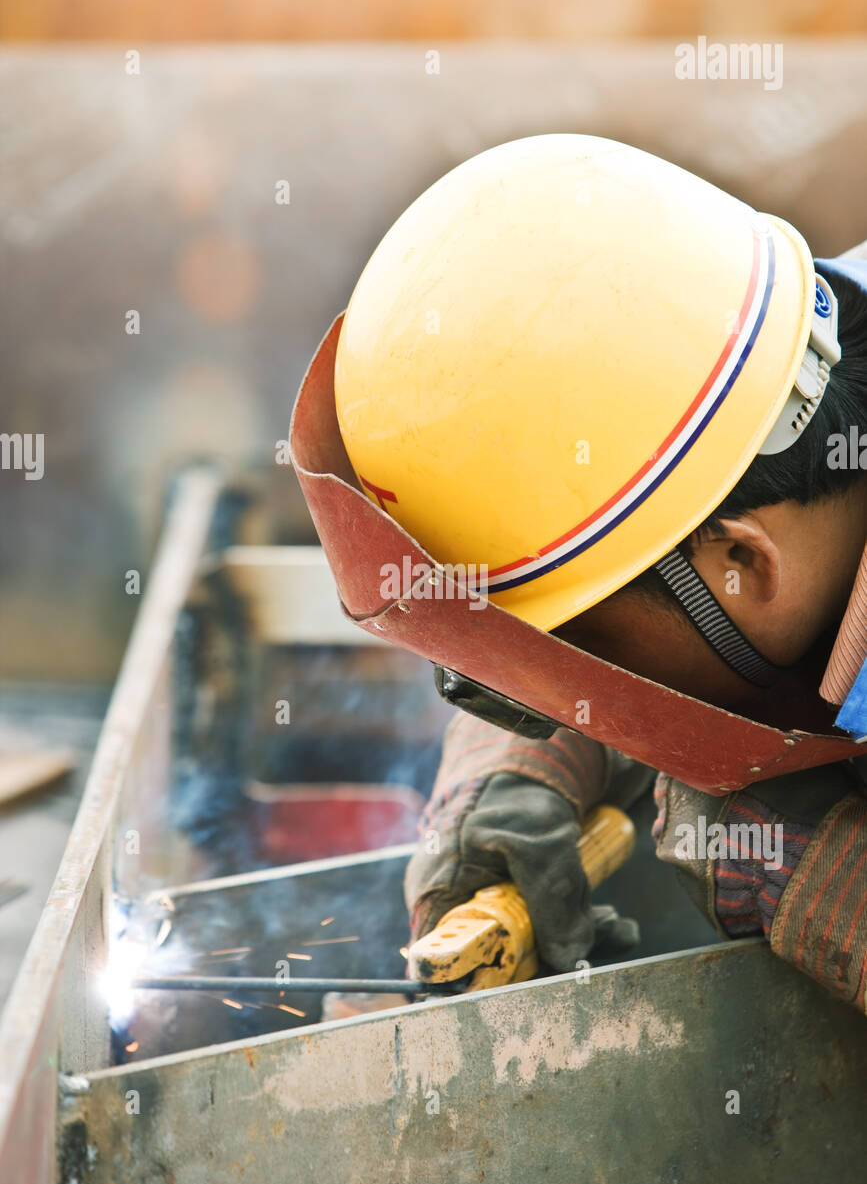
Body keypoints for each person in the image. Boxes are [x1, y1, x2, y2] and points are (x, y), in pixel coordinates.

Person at [303, 134, 867, 1014]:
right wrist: (517, 769)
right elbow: (619, 528)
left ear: (743, 565)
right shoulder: (754, 355)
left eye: (574, 657)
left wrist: (815, 874)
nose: (568, 687)